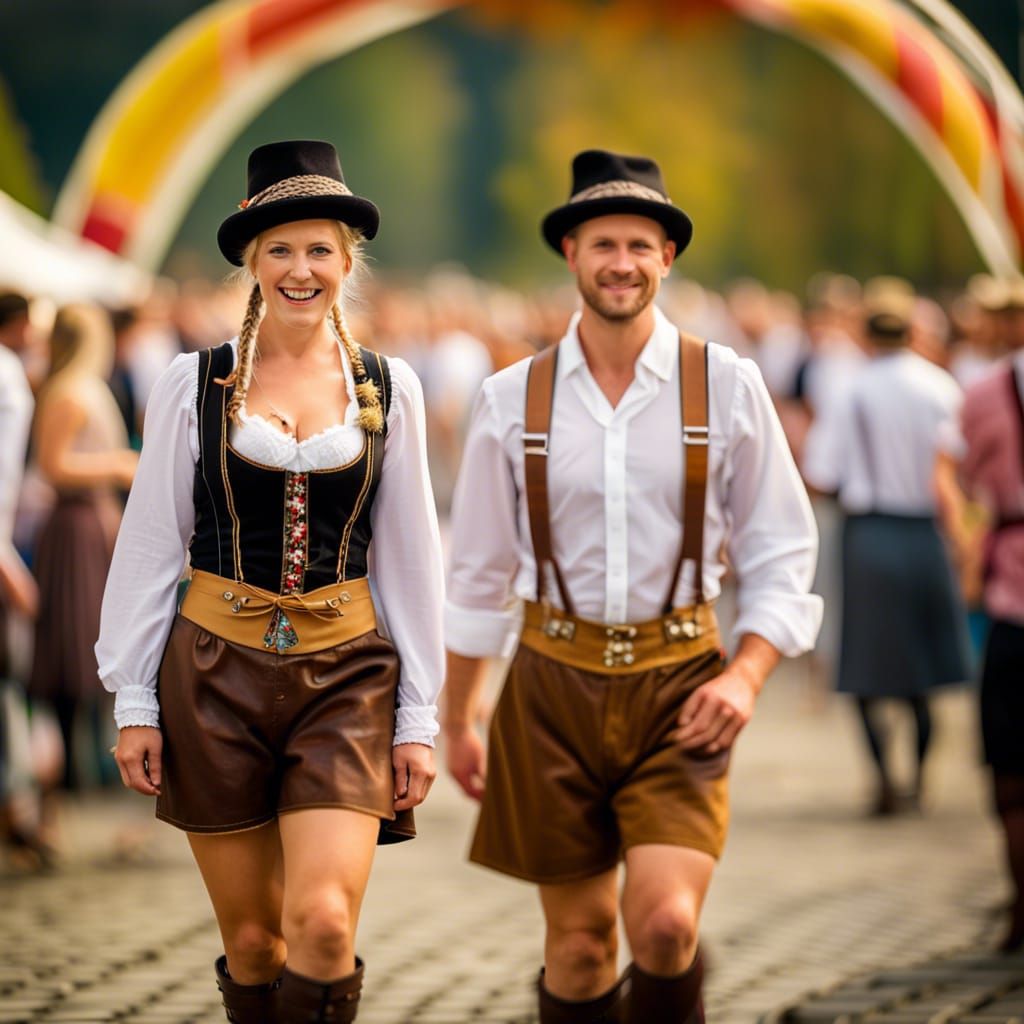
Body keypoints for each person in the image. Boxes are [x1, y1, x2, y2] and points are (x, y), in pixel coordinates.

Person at [443, 149, 822, 1024]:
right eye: (604, 244)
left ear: (667, 257)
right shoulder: (510, 397)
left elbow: (780, 550)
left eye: (640, 245)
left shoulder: (727, 384)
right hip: (550, 684)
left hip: (680, 683)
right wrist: (460, 717)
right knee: (579, 947)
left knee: (665, 926)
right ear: (571, 253)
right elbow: (478, 574)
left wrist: (745, 676)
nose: (622, 263)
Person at [96, 140, 445, 1023]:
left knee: (322, 924)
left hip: (347, 675)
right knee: (255, 944)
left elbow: (412, 560)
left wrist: (419, 717)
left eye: (319, 249)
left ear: (347, 262)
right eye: (280, 249)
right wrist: (135, 700)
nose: (300, 269)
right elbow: (151, 545)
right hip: (214, 674)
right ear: (251, 263)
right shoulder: (193, 383)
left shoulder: (388, 387)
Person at [804, 278, 970, 816]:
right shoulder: (939, 385)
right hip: (926, 533)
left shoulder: (851, 390)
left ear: (865, 332)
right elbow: (960, 466)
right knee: (923, 668)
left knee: (867, 667)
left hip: (870, 533)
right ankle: (919, 778)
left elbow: (822, 471)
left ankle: (883, 779)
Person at [29, 304, 137, 797]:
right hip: (75, 524)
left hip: (93, 520)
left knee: (93, 634)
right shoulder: (69, 392)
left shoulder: (81, 386)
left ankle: (94, 757)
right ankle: (80, 764)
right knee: (75, 641)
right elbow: (53, 465)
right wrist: (115, 464)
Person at [960, 296, 1024, 950]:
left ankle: (1021, 902)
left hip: (1013, 596)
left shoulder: (985, 393)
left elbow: (970, 477)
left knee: (1010, 772)